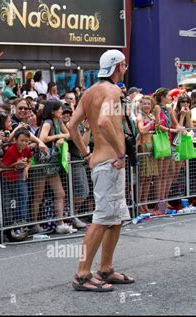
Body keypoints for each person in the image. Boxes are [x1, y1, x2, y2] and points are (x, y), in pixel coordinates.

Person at [68, 49, 134, 292]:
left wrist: (86, 153)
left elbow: (71, 126)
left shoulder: (89, 92)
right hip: (110, 163)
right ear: (117, 67)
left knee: (115, 218)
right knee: (102, 219)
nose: (125, 68)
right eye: (124, 65)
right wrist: (120, 152)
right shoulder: (113, 90)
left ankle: (105, 268)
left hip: (102, 163)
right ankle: (82, 275)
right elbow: (105, 122)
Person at [33, 100, 76, 234]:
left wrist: (62, 138)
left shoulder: (59, 122)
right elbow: (42, 138)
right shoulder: (48, 122)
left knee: (60, 193)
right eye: (60, 109)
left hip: (52, 164)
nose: (62, 111)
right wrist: (60, 136)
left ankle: (60, 223)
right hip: (42, 163)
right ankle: (34, 224)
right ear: (52, 111)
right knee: (38, 195)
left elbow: (69, 134)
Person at [0, 128, 32, 238]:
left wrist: (26, 168)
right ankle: (9, 226)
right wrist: (15, 163)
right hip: (7, 179)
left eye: (26, 141)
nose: (24, 143)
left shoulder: (27, 149)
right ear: (16, 140)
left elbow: (30, 160)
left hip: (19, 176)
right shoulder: (11, 150)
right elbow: (2, 165)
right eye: (21, 140)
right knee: (9, 202)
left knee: (24, 196)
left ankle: (22, 221)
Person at [136, 96, 159, 214]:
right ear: (141, 105)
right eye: (144, 104)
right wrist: (151, 123)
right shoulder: (140, 116)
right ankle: (139, 204)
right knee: (142, 177)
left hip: (152, 146)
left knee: (149, 177)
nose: (147, 106)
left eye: (148, 104)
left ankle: (144, 203)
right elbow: (142, 130)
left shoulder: (151, 116)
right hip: (143, 146)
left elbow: (157, 128)